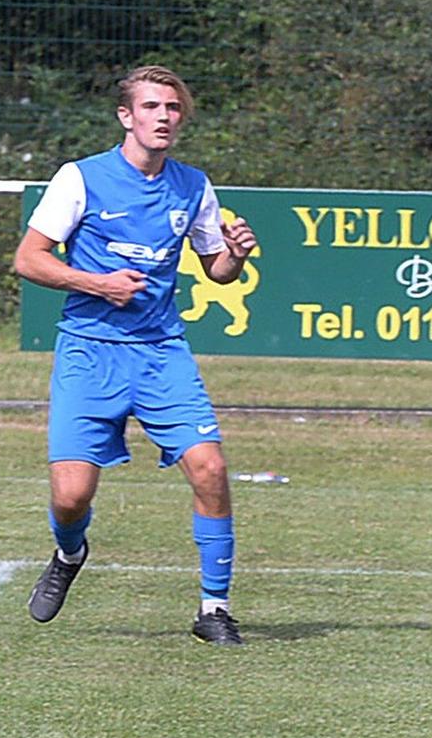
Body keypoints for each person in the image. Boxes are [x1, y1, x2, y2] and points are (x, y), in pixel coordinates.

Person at [13, 66, 258, 645]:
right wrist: (98, 284)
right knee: (71, 497)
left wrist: (236, 256)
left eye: (173, 108)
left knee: (211, 468)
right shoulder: (80, 179)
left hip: (160, 351)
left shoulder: (193, 185)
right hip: (89, 352)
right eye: (152, 107)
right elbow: (29, 259)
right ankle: (69, 555)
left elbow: (217, 273)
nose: (164, 117)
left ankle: (214, 609)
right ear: (127, 116)